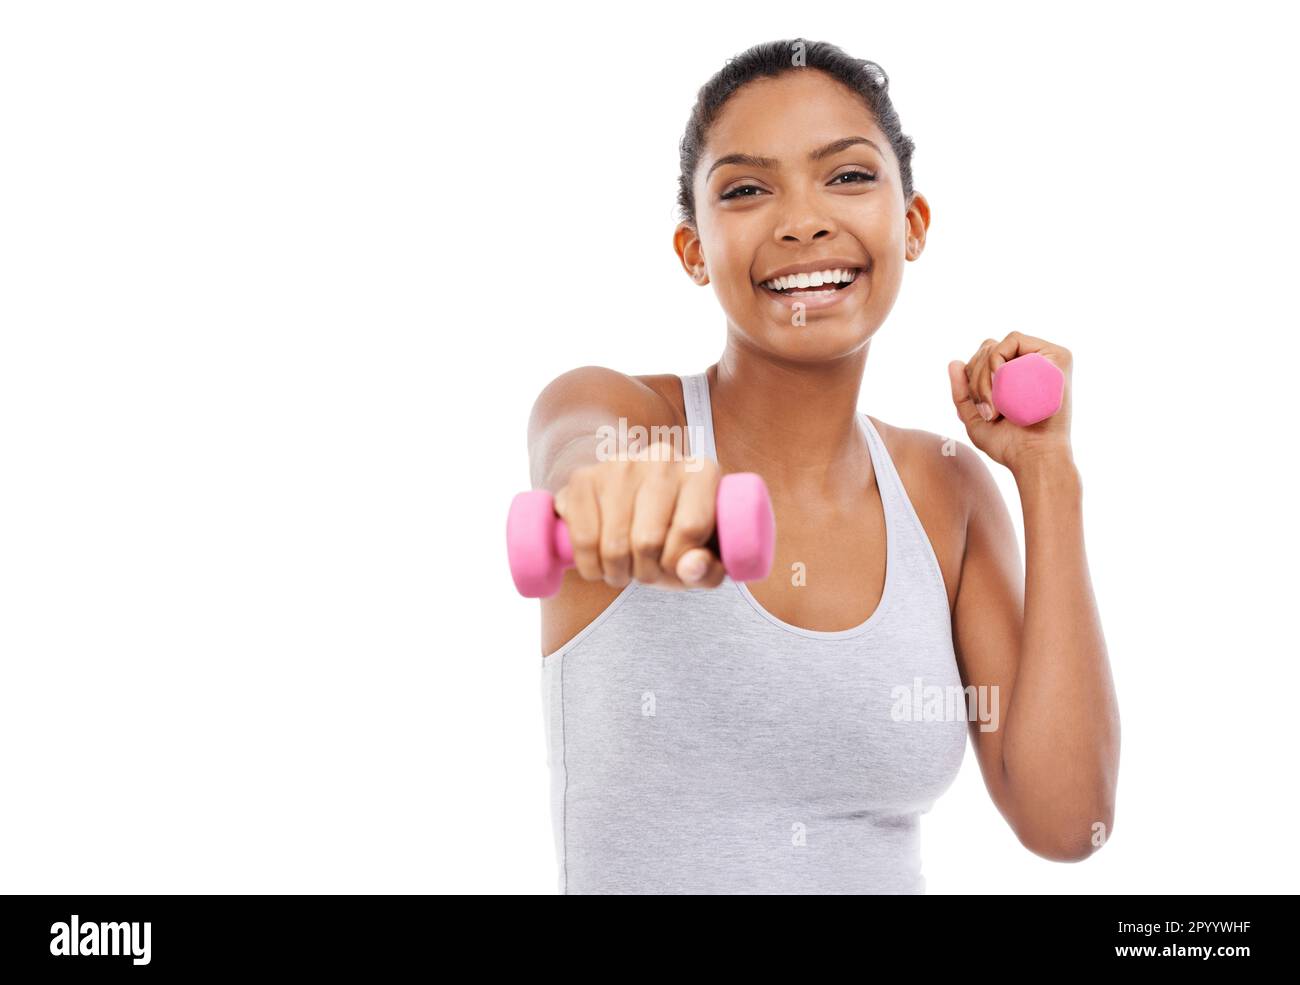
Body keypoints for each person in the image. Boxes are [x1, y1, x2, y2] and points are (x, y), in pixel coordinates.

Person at [527, 38, 1119, 894]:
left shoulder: (946, 489)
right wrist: (609, 495)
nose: (803, 220)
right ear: (694, 250)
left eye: (846, 176)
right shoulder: (627, 415)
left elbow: (1068, 822)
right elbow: (576, 449)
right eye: (746, 189)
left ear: (910, 224)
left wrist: (1050, 474)